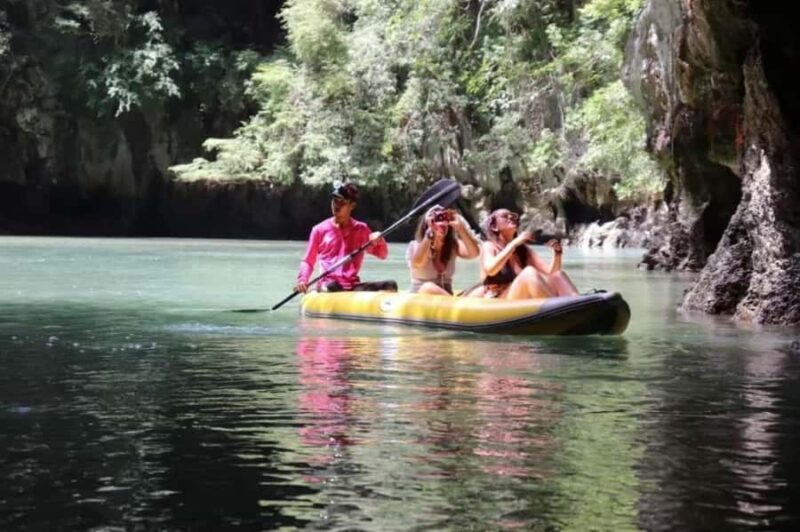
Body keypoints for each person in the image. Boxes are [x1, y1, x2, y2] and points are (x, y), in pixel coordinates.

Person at [295, 181, 397, 293]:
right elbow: (308, 261)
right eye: (334, 201)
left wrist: (379, 239)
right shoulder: (319, 230)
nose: (336, 206)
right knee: (330, 287)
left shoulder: (361, 229)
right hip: (329, 284)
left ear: (352, 206)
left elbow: (382, 254)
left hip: (352, 287)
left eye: (342, 203)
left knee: (391, 285)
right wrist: (303, 280)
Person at [466, 208, 579, 300]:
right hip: (500, 299)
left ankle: (577, 305)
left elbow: (551, 272)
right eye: (505, 216)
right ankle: (558, 311)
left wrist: (557, 255)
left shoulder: (523, 250)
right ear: (494, 227)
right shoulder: (489, 246)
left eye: (513, 216)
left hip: (519, 297)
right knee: (529, 273)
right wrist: (514, 243)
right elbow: (491, 269)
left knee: (558, 276)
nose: (511, 217)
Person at [406, 205, 480, 295]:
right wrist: (430, 233)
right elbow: (418, 263)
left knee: (481, 287)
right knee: (428, 287)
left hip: (447, 299)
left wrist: (461, 228)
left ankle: (456, 305)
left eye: (444, 218)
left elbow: (474, 253)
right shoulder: (416, 245)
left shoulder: (453, 245)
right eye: (436, 218)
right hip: (423, 297)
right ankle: (456, 305)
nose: (441, 222)